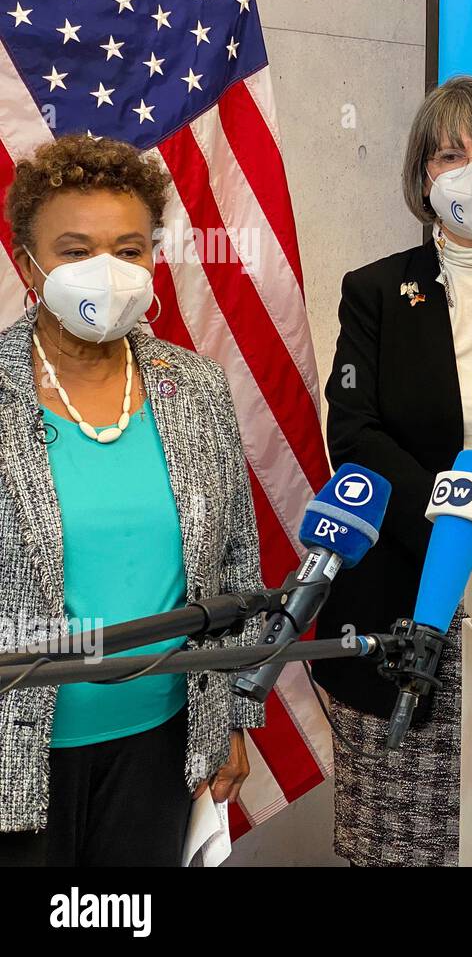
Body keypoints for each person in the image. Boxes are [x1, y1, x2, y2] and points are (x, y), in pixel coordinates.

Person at [313, 76, 472, 866]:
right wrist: (457, 513)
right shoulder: (377, 290)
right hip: (401, 585)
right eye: (448, 154)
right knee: (402, 838)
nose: (471, 172)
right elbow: (354, 434)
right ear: (422, 176)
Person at [0, 135, 265, 867]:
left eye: (128, 249)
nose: (106, 274)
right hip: (15, 753)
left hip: (162, 742)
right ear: (29, 264)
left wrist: (232, 715)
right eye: (76, 250)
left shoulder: (197, 388)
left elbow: (238, 564)